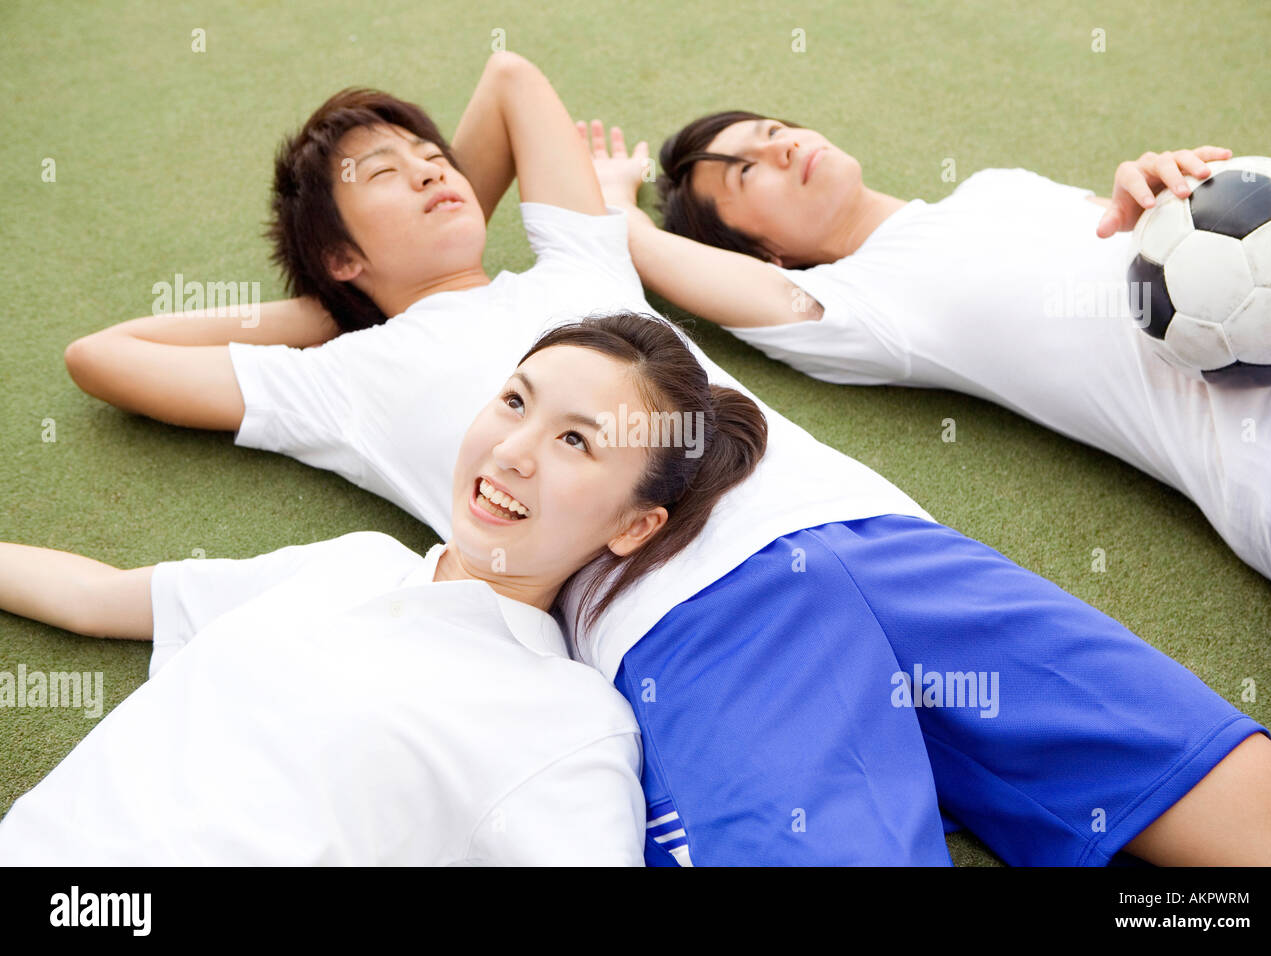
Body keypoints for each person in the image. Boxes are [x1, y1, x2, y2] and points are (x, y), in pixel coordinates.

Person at [55, 52, 1271, 865]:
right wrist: (339, 311)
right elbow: (102, 354)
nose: (434, 167)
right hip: (699, 621)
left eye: (433, 156)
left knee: (1263, 819)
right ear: (332, 251)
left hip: (891, 545)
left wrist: (424, 208)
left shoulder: (576, 265)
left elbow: (507, 80)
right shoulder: (331, 379)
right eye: (380, 173)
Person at [0, 312, 768, 865]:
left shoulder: (568, 722)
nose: (511, 451)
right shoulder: (350, 563)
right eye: (514, 401)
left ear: (634, 526)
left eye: (575, 440)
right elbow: (96, 600)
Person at [578, 113, 1271, 600]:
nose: (783, 148)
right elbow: (658, 256)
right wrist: (618, 206)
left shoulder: (998, 187)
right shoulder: (856, 305)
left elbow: (1160, 243)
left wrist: (1157, 197)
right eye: (746, 173)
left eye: (774, 132)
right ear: (768, 253)